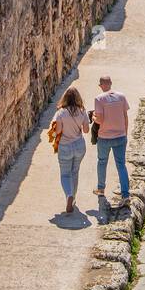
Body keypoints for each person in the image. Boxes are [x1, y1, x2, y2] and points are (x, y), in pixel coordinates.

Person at [50, 87, 92, 215]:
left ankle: (69, 195)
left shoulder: (61, 113)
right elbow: (86, 131)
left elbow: (58, 131)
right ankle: (73, 198)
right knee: (75, 172)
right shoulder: (82, 111)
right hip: (79, 146)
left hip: (65, 147)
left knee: (65, 174)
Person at [92, 76, 130, 205]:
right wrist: (125, 133)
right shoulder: (121, 96)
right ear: (111, 83)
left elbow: (100, 120)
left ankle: (101, 189)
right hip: (120, 136)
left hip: (104, 137)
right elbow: (125, 117)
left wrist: (93, 117)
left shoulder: (99, 99)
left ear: (101, 85)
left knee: (102, 162)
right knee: (121, 165)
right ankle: (125, 195)